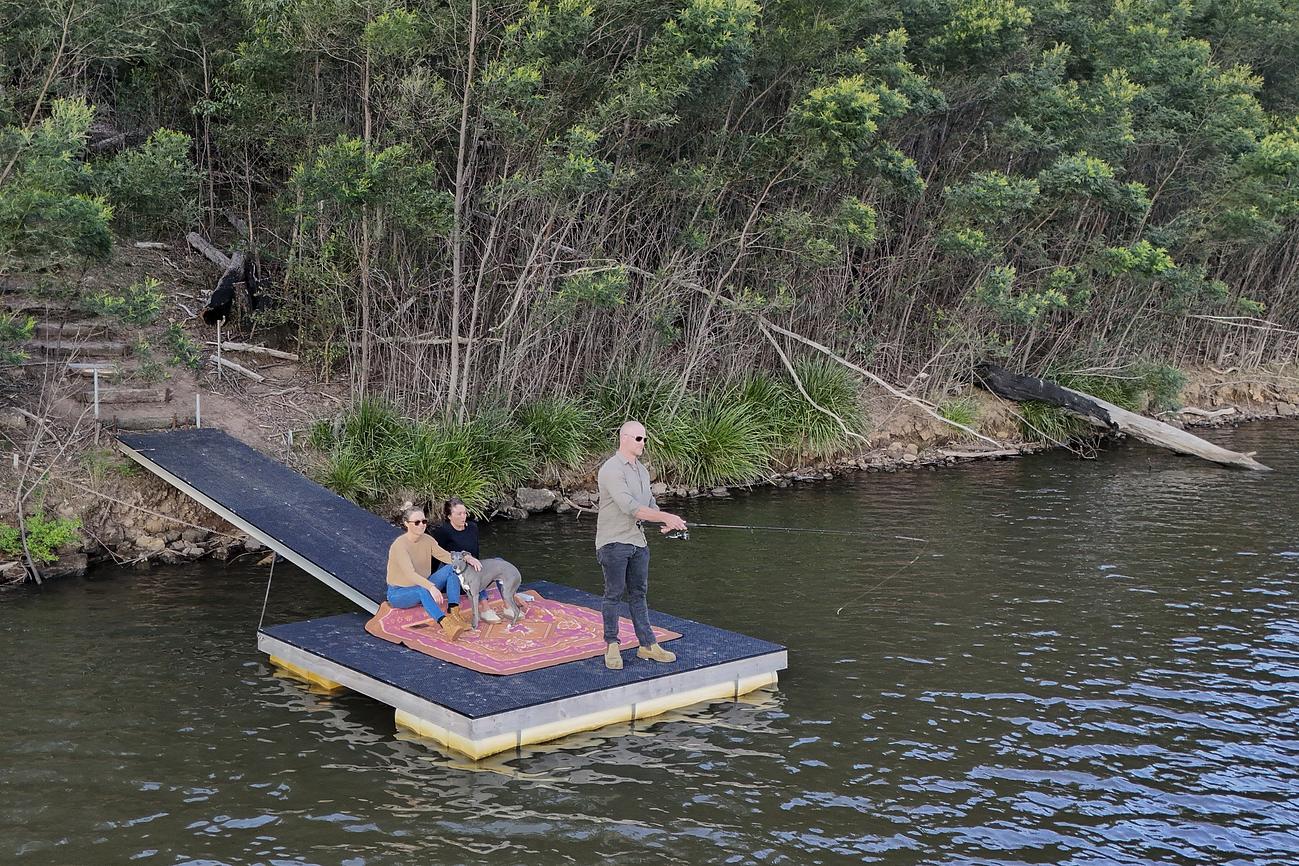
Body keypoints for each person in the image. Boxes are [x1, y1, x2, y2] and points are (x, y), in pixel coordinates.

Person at [596, 419, 688, 670]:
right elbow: (630, 507)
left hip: (638, 541)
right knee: (613, 594)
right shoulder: (611, 469)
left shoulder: (642, 471)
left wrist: (666, 520)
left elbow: (648, 503)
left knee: (639, 594)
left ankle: (647, 645)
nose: (643, 443)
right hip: (613, 541)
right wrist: (665, 517)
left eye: (645, 439)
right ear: (624, 438)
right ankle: (612, 645)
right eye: (639, 438)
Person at [386, 503, 482, 640]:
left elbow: (447, 557)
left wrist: (466, 557)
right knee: (421, 590)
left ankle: (454, 612)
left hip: (424, 583)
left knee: (451, 569)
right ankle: (446, 624)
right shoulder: (399, 546)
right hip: (399, 592)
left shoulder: (428, 540)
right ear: (406, 524)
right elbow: (410, 574)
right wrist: (431, 587)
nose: (421, 525)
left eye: (424, 521)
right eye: (417, 522)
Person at [431, 497, 500, 623]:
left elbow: (476, 554)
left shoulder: (473, 527)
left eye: (465, 513)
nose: (463, 516)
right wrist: (431, 581)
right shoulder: (442, 532)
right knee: (472, 570)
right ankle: (485, 608)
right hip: (455, 577)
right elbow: (436, 556)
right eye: (459, 514)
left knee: (499, 562)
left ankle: (509, 603)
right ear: (449, 516)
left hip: (475, 573)